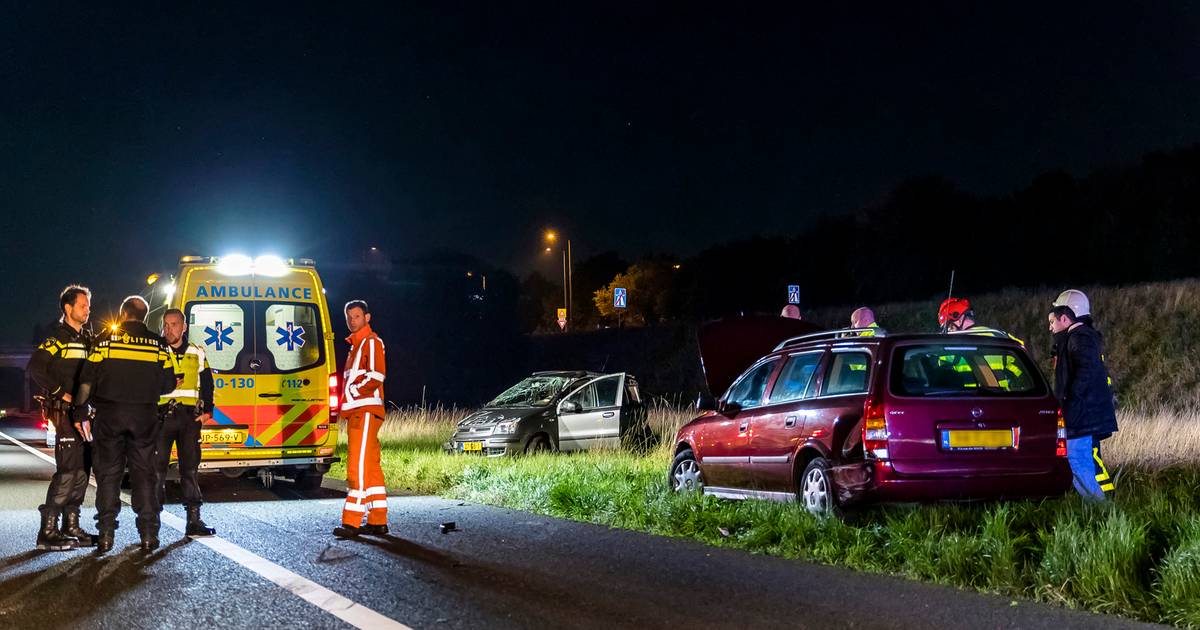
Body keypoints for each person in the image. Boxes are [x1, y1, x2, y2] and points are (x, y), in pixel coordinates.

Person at [73, 296, 177, 552]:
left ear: (122, 314)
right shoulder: (158, 345)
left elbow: (86, 381)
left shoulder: (104, 341)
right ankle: (148, 535)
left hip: (109, 416)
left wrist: (79, 411)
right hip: (144, 417)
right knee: (144, 476)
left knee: (108, 476)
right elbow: (169, 384)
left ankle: (106, 534)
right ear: (145, 316)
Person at [27, 285, 96, 550]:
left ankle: (72, 526)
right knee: (68, 471)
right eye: (83, 305)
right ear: (68, 308)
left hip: (84, 414)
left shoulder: (87, 339)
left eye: (88, 305)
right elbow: (36, 368)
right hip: (65, 413)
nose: (88, 310)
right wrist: (62, 393)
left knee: (82, 471)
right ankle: (47, 532)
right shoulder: (57, 337)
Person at [1048, 289, 1118, 501]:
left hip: (1082, 415)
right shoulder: (1080, 337)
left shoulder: (1079, 338)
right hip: (1084, 414)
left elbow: (1085, 373)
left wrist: (1071, 400)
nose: (1050, 327)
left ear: (1065, 318)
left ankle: (1099, 508)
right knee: (1082, 460)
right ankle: (1100, 507)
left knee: (1077, 460)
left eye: (1053, 321)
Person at [156, 309, 216, 537]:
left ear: (184, 327)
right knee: (157, 470)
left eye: (173, 324)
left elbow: (208, 382)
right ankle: (152, 522)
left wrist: (208, 411)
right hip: (162, 418)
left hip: (189, 419)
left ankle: (194, 520)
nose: (168, 329)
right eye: (166, 324)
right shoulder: (157, 350)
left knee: (190, 469)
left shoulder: (197, 352)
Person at [334, 300, 389, 538]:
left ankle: (352, 522)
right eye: (349, 317)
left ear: (367, 318)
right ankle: (378, 520)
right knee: (370, 466)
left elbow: (377, 375)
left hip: (364, 411)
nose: (352, 320)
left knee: (356, 466)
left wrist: (353, 392)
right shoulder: (355, 345)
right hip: (358, 411)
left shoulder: (371, 342)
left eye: (356, 316)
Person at [937, 297, 1023, 345]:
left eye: (950, 326)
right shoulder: (999, 335)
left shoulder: (951, 347)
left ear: (959, 320)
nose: (949, 331)